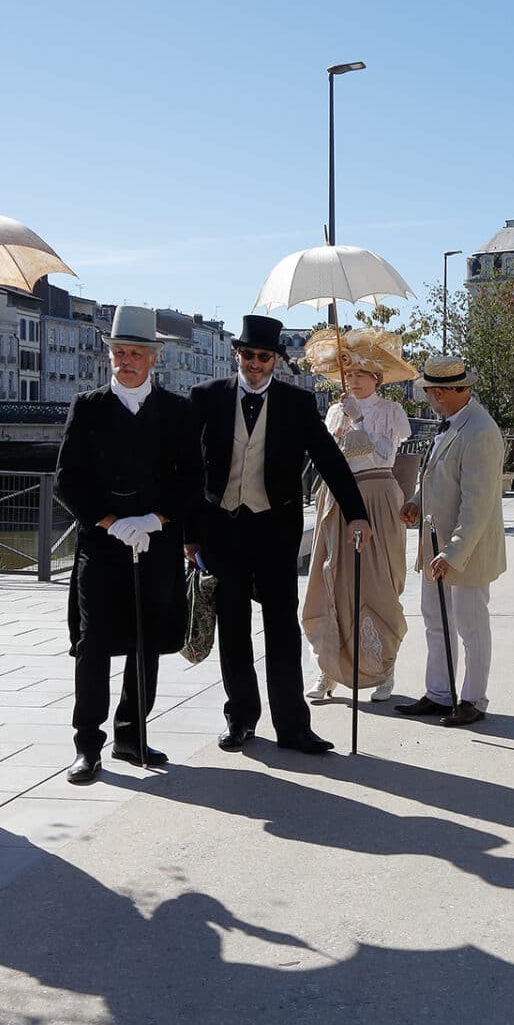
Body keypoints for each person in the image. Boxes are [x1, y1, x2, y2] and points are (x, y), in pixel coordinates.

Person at [187, 315, 370, 755]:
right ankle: (241, 718)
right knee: (232, 626)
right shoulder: (205, 398)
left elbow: (329, 459)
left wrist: (356, 514)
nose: (254, 363)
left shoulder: (296, 402)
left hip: (274, 528)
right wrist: (189, 534)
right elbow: (185, 469)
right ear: (237, 354)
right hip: (223, 528)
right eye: (247, 355)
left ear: (275, 360)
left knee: (281, 627)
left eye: (263, 356)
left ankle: (293, 727)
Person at [54, 305, 200, 785]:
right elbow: (67, 480)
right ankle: (87, 745)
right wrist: (112, 522)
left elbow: (192, 480)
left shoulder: (178, 412)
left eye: (136, 352)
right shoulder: (88, 406)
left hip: (155, 544)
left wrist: (155, 520)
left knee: (147, 643)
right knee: (93, 645)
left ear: (153, 358)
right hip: (102, 544)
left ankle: (132, 734)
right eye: (119, 351)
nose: (126, 360)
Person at [298, 327, 415, 705]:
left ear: (377, 377)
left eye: (362, 374)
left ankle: (383, 666)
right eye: (350, 374)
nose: (355, 380)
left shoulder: (390, 411)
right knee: (333, 578)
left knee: (378, 582)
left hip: (378, 495)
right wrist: (343, 423)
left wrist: (359, 422)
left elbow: (383, 457)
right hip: (338, 498)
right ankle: (329, 670)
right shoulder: (336, 410)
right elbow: (329, 458)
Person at [395, 356, 506, 728]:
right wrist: (415, 501)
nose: (427, 397)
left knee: (471, 625)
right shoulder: (453, 423)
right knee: (435, 620)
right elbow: (436, 475)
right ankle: (440, 692)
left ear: (440, 392)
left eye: (428, 391)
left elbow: (478, 503)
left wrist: (454, 552)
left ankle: (474, 698)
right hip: (436, 544)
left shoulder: (480, 431)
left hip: (464, 550)